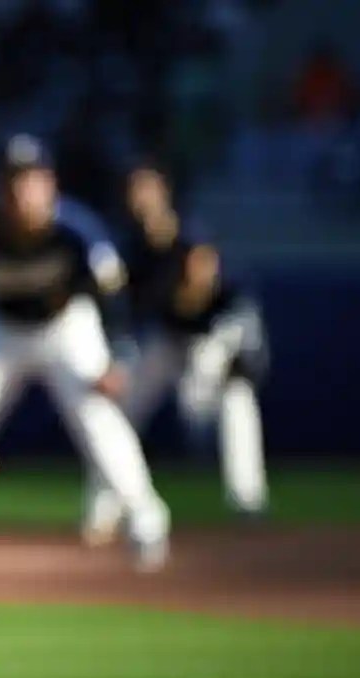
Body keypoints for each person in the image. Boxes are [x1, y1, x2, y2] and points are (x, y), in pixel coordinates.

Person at [0, 134, 170, 574]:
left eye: (30, 180)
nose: (20, 192)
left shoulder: (76, 230)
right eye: (12, 181)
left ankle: (146, 521)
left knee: (98, 420)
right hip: (0, 331)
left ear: (50, 184)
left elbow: (113, 295)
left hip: (67, 327)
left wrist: (117, 355)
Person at [82, 164, 269, 543]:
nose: (141, 198)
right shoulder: (133, 246)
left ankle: (248, 500)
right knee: (119, 413)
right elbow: (126, 299)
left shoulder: (190, 232)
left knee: (234, 401)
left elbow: (205, 289)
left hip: (219, 330)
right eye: (134, 190)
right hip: (169, 337)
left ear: (164, 191)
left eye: (147, 188)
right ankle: (105, 508)